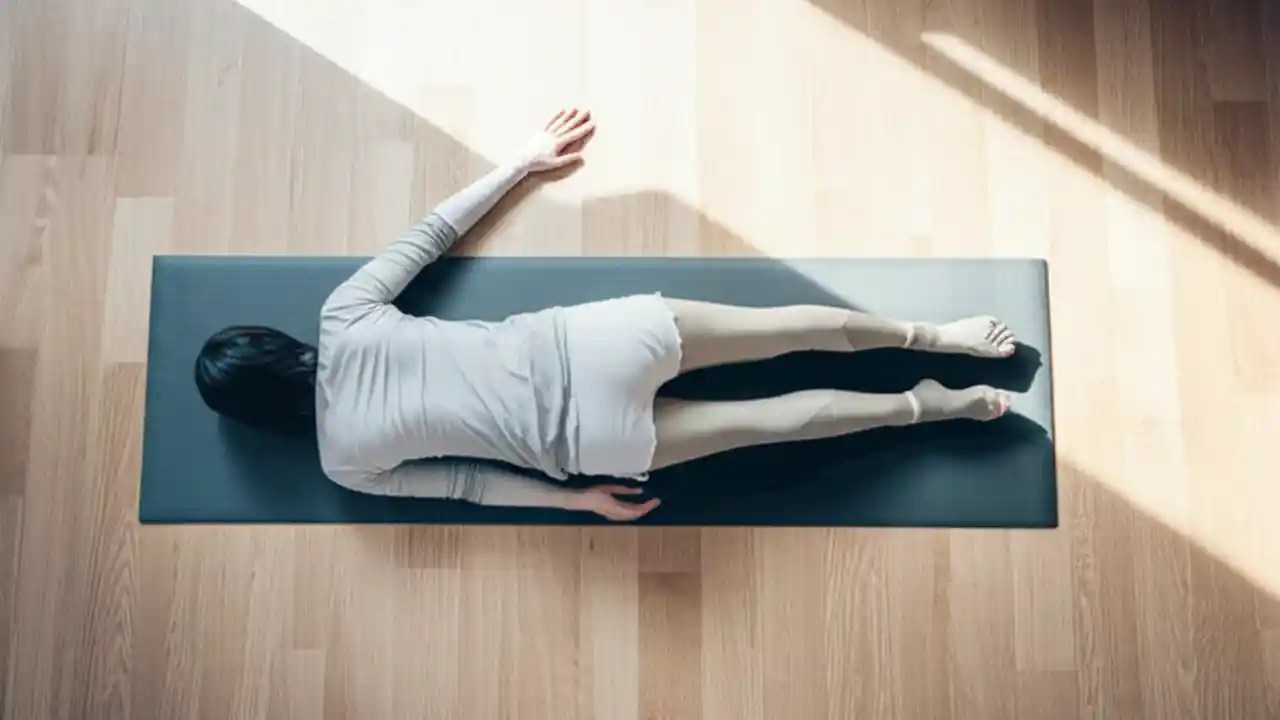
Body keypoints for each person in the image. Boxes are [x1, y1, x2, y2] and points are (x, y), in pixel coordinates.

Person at [195, 108, 1017, 522]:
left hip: (586, 443)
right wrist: (521, 160)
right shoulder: (343, 316)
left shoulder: (342, 464)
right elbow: (434, 234)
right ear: (277, 346)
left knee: (774, 423)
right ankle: (935, 337)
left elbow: (474, 486)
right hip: (587, 343)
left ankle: (929, 406)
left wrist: (579, 503)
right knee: (784, 331)